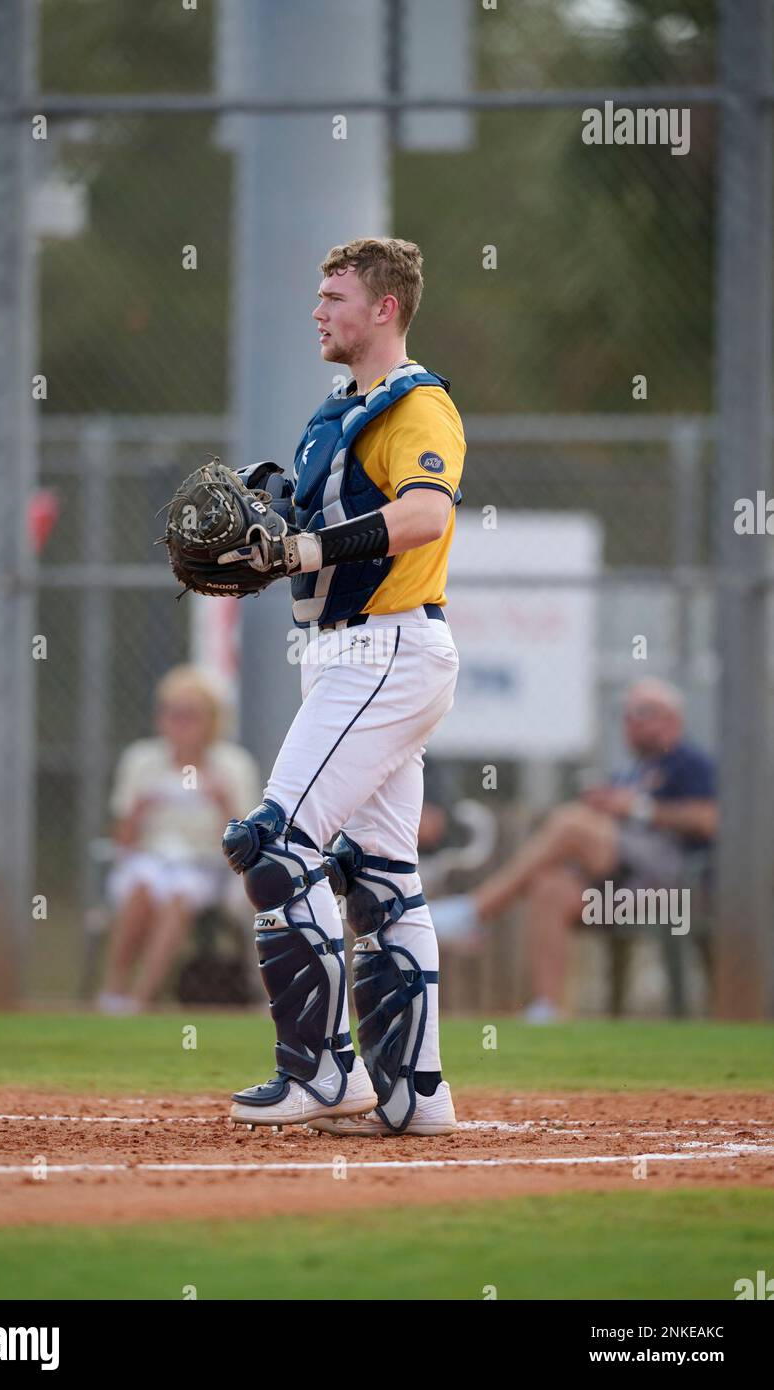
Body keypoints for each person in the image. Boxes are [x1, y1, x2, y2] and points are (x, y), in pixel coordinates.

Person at [221, 237, 465, 1135]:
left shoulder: (418, 404)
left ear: (385, 309)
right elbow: (315, 516)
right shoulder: (339, 410)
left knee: (273, 847)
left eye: (335, 296)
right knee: (381, 880)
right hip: (348, 655)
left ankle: (324, 1074)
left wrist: (310, 547)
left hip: (385, 653)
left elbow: (426, 514)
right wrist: (274, 532)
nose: (320, 310)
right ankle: (415, 1096)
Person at [433, 678, 718, 1020]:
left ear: (672, 719)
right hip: (620, 889)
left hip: (671, 884)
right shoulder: (631, 772)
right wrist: (604, 805)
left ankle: (474, 912)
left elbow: (709, 820)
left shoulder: (689, 762)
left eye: (642, 712)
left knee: (571, 824)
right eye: (625, 713)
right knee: (549, 887)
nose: (630, 721)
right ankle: (547, 1009)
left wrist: (637, 808)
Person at [96, 665, 260, 1013]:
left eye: (190, 715)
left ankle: (140, 1000)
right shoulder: (142, 761)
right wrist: (139, 809)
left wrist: (223, 803)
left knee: (179, 892)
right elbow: (122, 841)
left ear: (212, 721)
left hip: (208, 867)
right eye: (172, 713)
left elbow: (245, 846)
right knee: (143, 883)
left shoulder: (233, 765)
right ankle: (113, 992)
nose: (179, 724)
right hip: (148, 859)